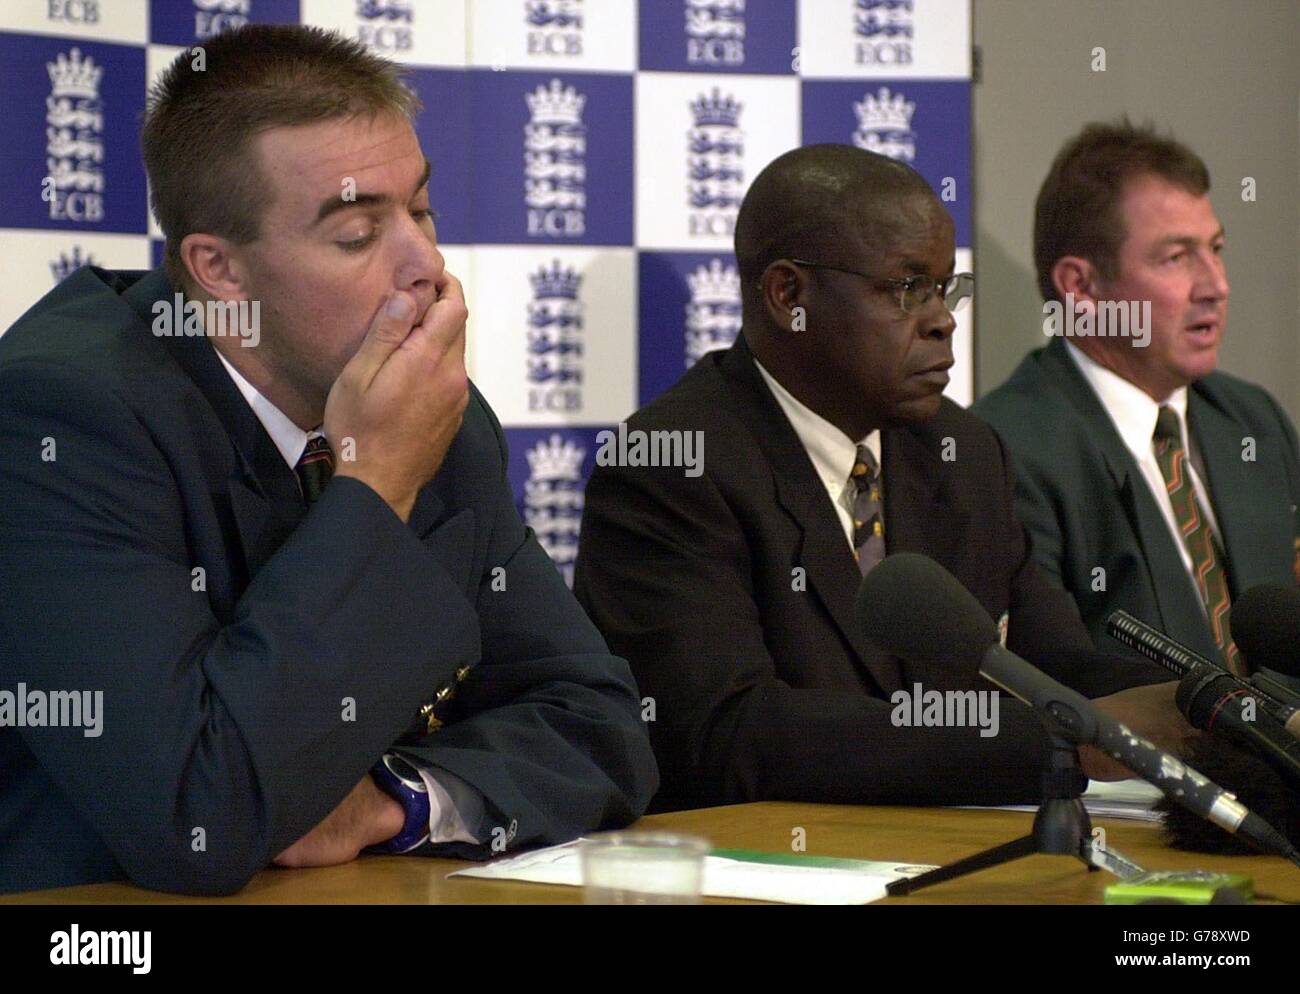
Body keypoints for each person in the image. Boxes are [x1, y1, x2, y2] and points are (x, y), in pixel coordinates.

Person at [0, 25, 656, 896]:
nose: (425, 265)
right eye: (357, 234)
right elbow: (199, 813)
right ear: (219, 271)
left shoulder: (437, 418)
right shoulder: (63, 420)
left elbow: (599, 722)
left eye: (421, 210)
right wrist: (377, 481)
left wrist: (396, 800)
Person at [573, 143, 1185, 814]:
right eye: (907, 288)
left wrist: (1205, 707)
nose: (943, 318)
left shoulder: (963, 451)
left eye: (948, 286)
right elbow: (722, 739)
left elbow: (1054, 667)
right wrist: (1070, 738)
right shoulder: (671, 465)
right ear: (789, 295)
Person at [973, 120, 1300, 676]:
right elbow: (1056, 687)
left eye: (1216, 249)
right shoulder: (1005, 450)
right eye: (1176, 257)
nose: (1215, 284)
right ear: (1080, 287)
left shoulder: (1253, 422)